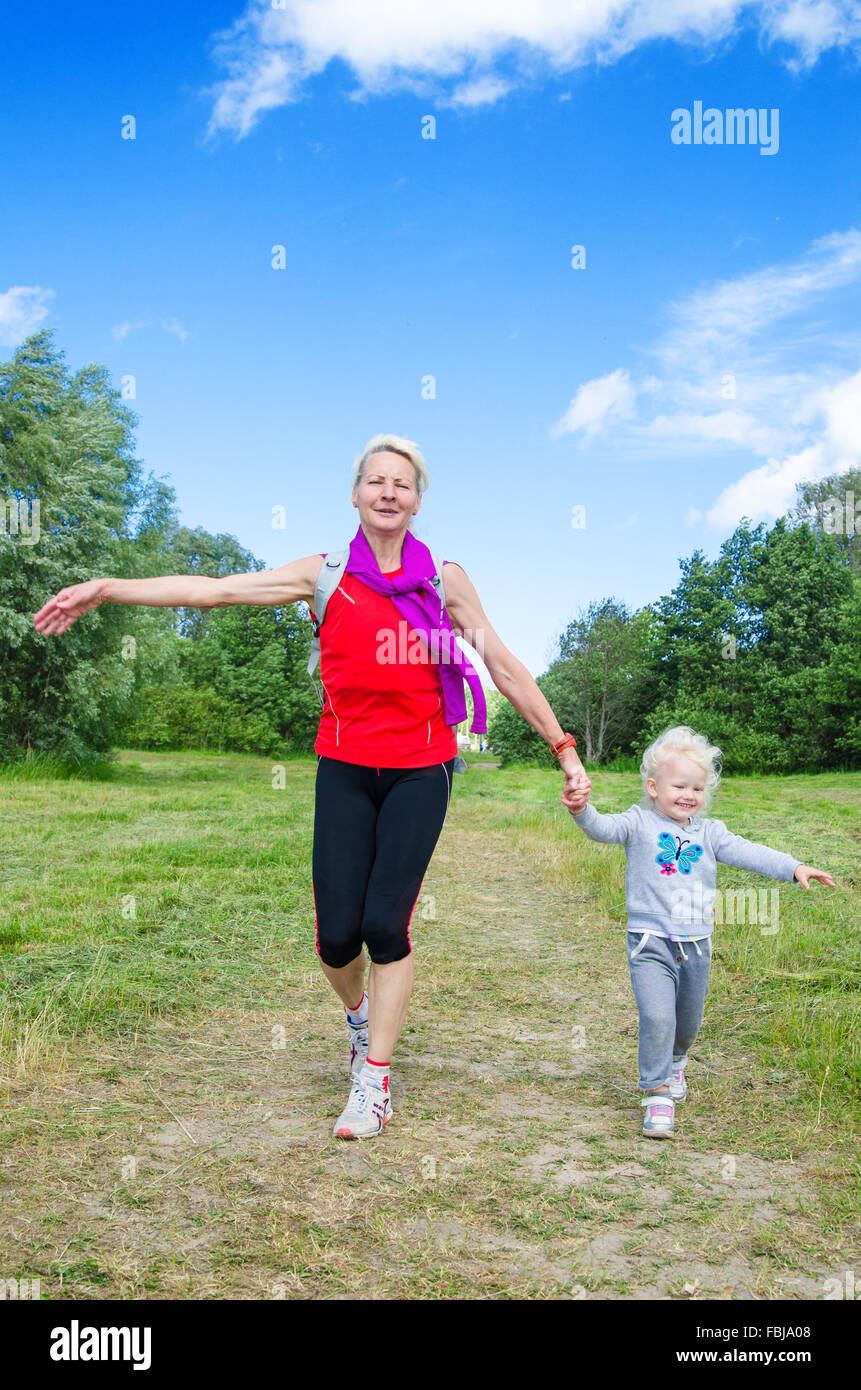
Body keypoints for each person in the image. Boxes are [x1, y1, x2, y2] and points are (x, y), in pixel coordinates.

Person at [33, 432, 591, 1139]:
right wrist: (108, 589)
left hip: (423, 767)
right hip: (346, 766)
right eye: (375, 481)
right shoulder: (324, 575)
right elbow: (212, 592)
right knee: (335, 939)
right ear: (356, 493)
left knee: (386, 925)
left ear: (418, 500)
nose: (388, 493)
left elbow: (504, 665)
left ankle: (374, 1081)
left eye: (402, 483)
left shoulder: (442, 581)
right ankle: (360, 1023)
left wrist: (562, 747)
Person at [562, 724, 834, 1139]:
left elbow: (749, 851)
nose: (689, 795)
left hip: (696, 945)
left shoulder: (710, 833)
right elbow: (603, 828)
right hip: (649, 941)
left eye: (697, 788)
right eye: (679, 786)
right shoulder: (638, 823)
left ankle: (675, 1062)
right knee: (657, 1015)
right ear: (654, 787)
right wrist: (582, 810)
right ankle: (657, 1094)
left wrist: (793, 867)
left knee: (686, 1022)